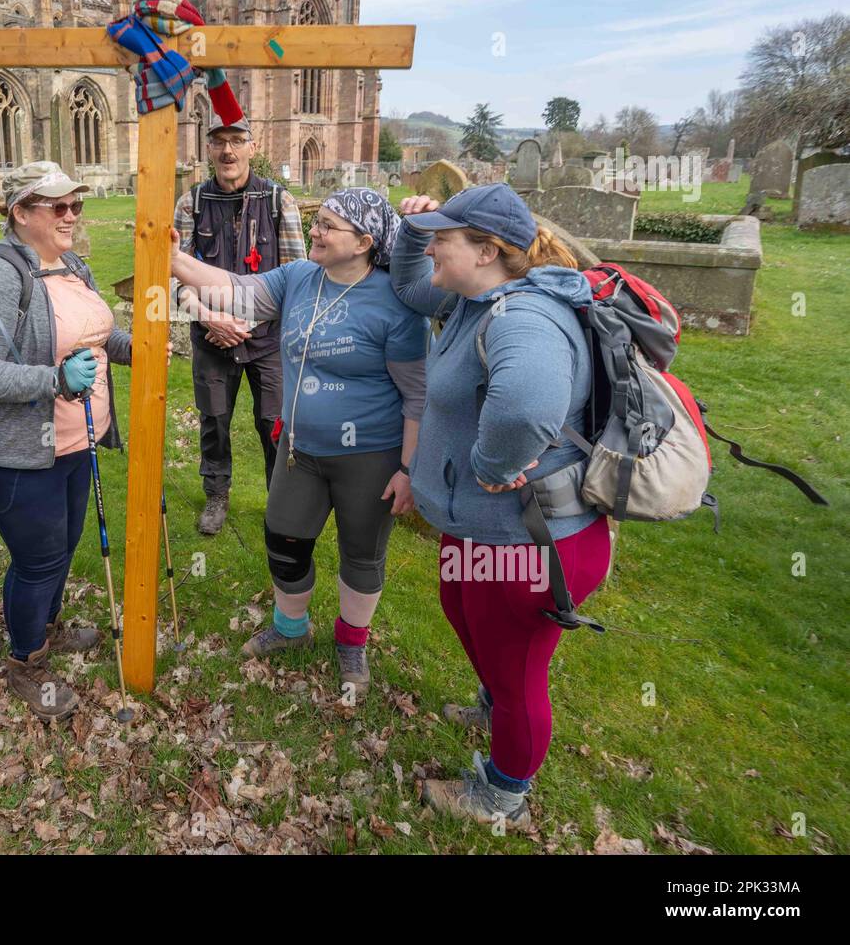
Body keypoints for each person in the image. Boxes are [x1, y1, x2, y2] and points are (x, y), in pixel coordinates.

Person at [390, 184, 610, 832]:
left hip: (532, 542)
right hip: (480, 530)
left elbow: (525, 406)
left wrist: (491, 464)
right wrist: (411, 231)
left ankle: (502, 795)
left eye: (444, 238)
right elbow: (409, 287)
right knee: (462, 610)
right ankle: (495, 707)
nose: (433, 246)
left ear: (487, 251)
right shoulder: (470, 300)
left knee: (518, 667)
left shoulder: (523, 318)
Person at [170, 186, 426, 699]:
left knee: (361, 553)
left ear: (363, 242)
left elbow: (417, 395)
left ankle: (352, 643)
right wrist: (172, 257)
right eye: (318, 221)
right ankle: (292, 628)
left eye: (329, 225)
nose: (315, 230)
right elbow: (233, 289)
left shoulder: (396, 303)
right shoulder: (298, 278)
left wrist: (407, 469)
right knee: (284, 537)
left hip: (370, 457)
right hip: (300, 448)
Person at [0, 160, 132, 722]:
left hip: (77, 441)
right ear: (21, 213)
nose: (71, 214)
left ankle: (46, 628)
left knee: (65, 543)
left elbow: (95, 333)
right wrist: (52, 380)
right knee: (39, 557)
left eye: (76, 204)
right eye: (58, 206)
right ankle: (25, 662)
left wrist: (134, 347)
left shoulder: (71, 265)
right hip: (16, 450)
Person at [173, 116, 305, 536]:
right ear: (208, 149)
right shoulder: (190, 203)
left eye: (236, 141)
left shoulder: (278, 201)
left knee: (273, 424)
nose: (228, 151)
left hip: (266, 339)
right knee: (214, 419)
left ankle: (280, 499)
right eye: (219, 143)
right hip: (210, 337)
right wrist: (208, 316)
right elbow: (174, 275)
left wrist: (244, 321)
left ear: (252, 145)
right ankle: (216, 494)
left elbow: (297, 276)